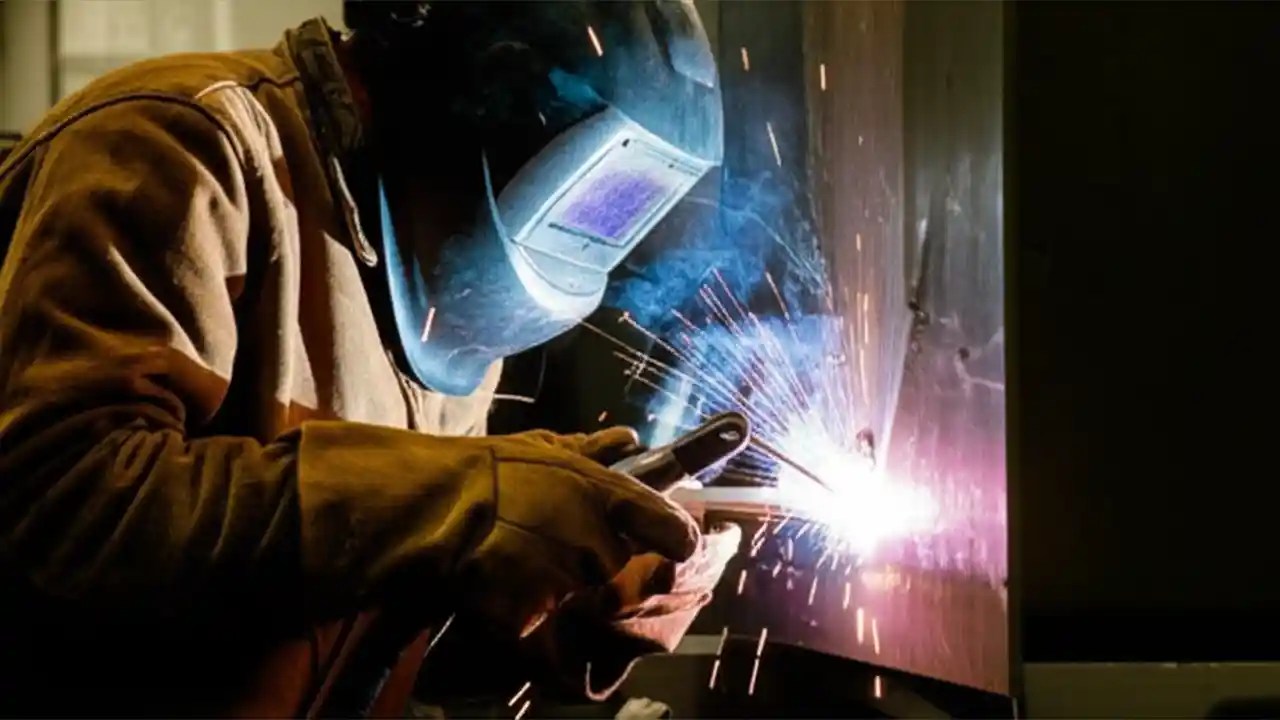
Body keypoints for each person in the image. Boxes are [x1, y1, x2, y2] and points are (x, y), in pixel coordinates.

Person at [0, 1, 739, 716]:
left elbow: (369, 625)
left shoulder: (442, 278)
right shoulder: (183, 145)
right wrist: (455, 500)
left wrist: (577, 598)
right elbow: (63, 504)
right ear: (484, 94)